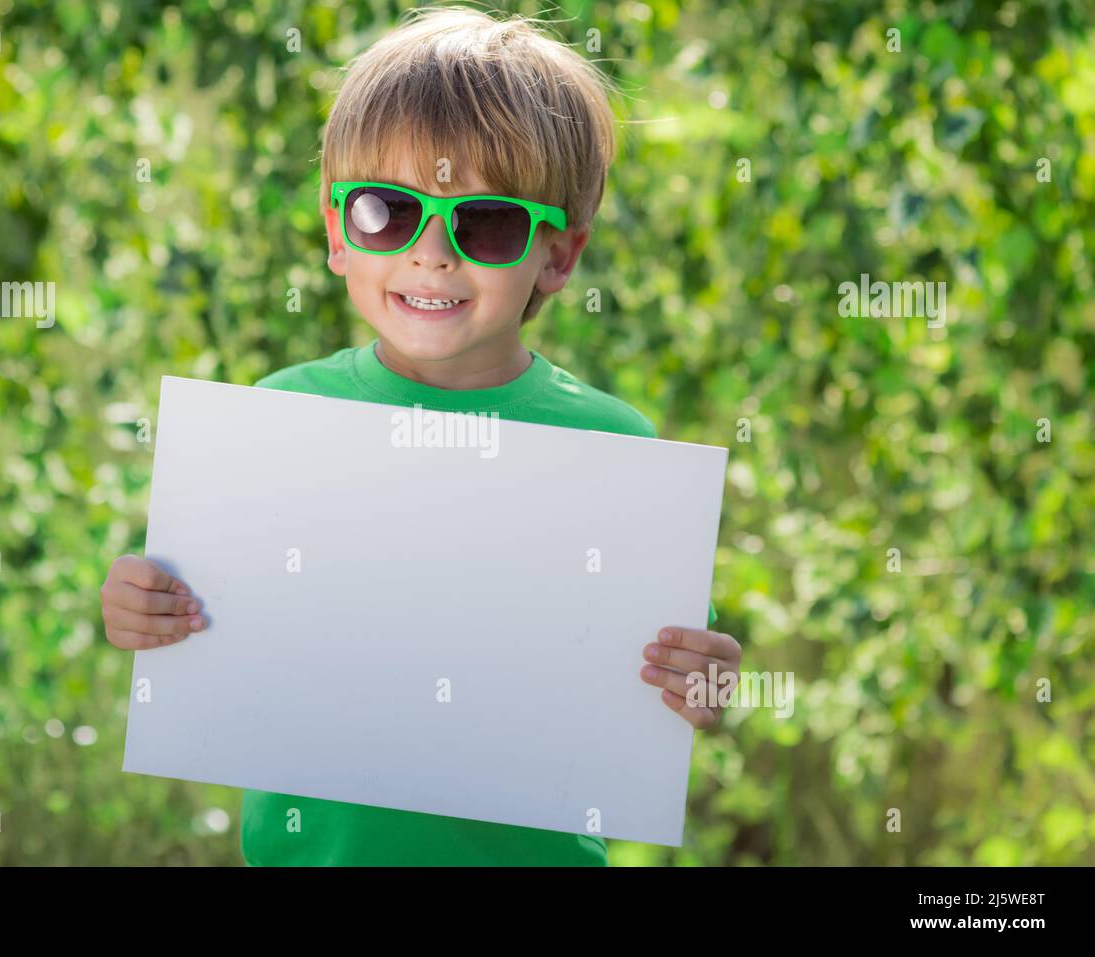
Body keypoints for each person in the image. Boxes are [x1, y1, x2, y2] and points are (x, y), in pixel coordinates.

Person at [100, 6, 742, 865]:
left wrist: (703, 681)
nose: (432, 253)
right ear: (337, 232)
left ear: (558, 256)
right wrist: (138, 608)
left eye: (486, 224)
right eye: (386, 211)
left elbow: (670, 676)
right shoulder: (280, 420)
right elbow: (194, 623)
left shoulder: (612, 448)